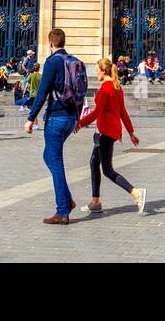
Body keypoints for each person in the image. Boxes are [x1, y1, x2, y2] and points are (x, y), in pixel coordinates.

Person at [24, 28, 86, 224]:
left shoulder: (52, 62)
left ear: (50, 44)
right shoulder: (74, 61)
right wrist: (77, 118)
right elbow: (81, 93)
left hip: (56, 117)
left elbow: (42, 93)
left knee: (55, 160)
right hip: (69, 118)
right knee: (49, 156)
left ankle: (62, 211)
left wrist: (30, 118)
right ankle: (66, 200)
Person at [79, 58, 146, 215]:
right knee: (94, 163)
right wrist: (131, 132)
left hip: (104, 133)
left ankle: (136, 192)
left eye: (97, 70)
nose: (95, 73)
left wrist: (80, 123)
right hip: (110, 132)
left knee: (107, 170)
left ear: (104, 71)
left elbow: (97, 112)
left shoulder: (106, 88)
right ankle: (95, 201)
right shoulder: (117, 87)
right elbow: (123, 112)